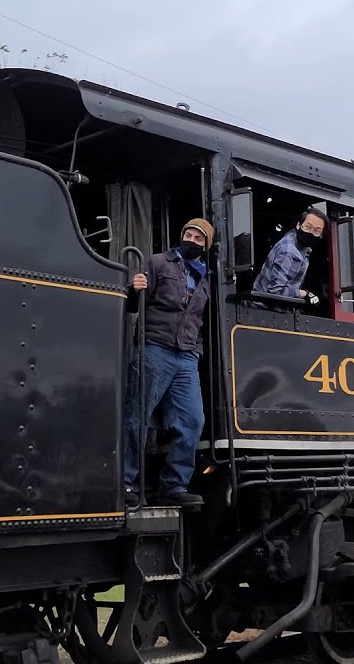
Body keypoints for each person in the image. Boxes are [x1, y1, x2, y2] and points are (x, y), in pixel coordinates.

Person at [122, 217, 213, 508]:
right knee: (138, 416)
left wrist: (196, 350)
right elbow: (135, 305)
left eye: (199, 239)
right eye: (189, 234)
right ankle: (126, 482)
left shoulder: (205, 279)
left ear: (206, 246)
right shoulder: (158, 262)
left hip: (186, 355)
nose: (192, 240)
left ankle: (174, 485)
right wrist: (133, 289)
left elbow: (200, 322)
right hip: (155, 347)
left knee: (193, 420)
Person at [252, 207, 326, 307]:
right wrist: (304, 294)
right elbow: (275, 292)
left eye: (317, 231)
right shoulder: (290, 252)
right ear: (299, 225)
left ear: (321, 235)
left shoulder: (295, 241)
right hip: (265, 311)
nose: (311, 233)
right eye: (308, 227)